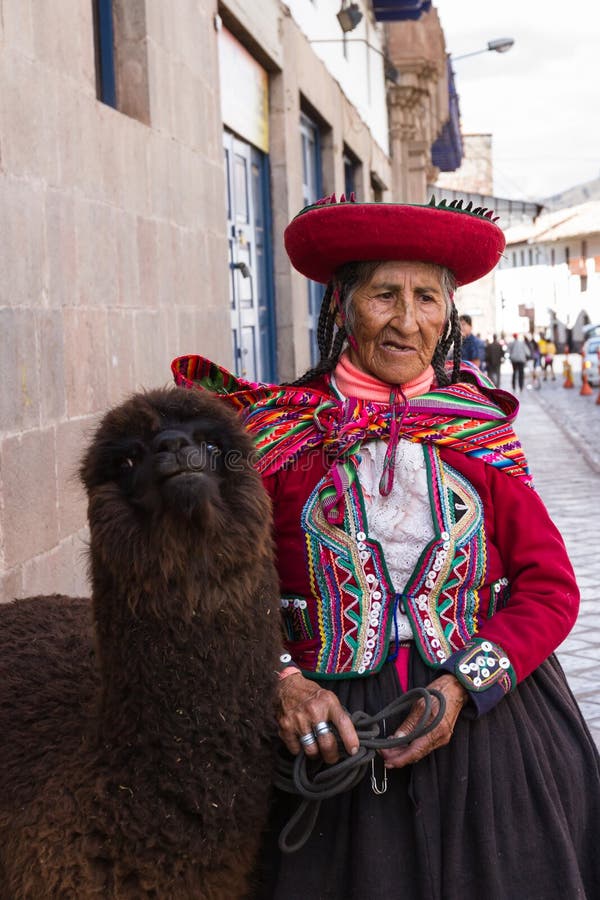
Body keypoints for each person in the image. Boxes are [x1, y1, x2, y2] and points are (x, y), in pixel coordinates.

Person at [172, 197, 600, 900]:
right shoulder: (279, 441)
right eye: (384, 295)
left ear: (449, 315)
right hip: (329, 742)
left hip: (488, 730)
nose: (407, 320)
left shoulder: (481, 439)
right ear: (342, 307)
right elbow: (215, 589)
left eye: (427, 297)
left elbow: (549, 588)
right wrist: (284, 682)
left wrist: (463, 685)